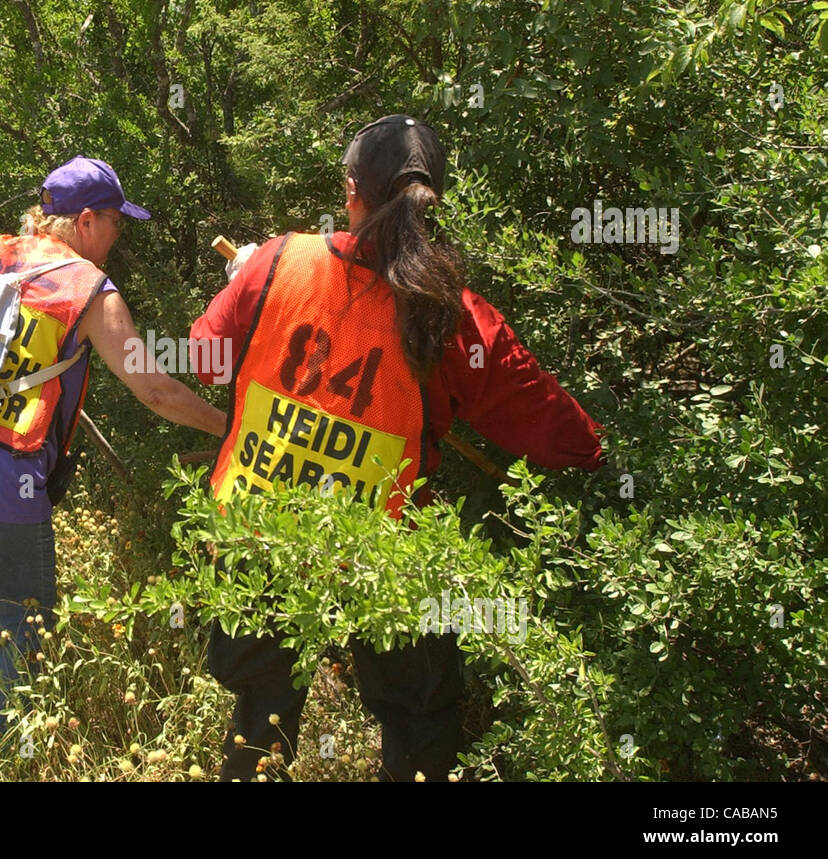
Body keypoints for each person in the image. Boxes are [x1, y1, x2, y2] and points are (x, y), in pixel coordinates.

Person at [189, 115, 605, 781]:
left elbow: (206, 358)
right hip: (380, 553)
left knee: (262, 708)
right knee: (419, 714)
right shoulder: (453, 311)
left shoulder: (276, 261)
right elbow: (546, 419)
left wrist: (246, 284)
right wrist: (603, 455)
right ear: (433, 196)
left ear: (351, 192)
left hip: (260, 530)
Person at [0, 155, 226, 745]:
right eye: (116, 221)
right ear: (86, 221)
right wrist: (227, 426)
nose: (118, 235)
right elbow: (156, 389)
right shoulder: (88, 289)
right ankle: (4, 758)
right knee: (20, 626)